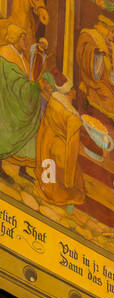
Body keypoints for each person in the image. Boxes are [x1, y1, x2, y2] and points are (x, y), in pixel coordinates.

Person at [33, 70, 85, 205]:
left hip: (47, 142)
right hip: (60, 149)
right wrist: (69, 177)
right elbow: (72, 146)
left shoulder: (53, 101)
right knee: (66, 180)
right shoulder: (72, 117)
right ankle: (60, 194)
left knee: (48, 169)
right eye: (73, 90)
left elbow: (44, 124)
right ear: (69, 92)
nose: (75, 93)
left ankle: (46, 189)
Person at [75, 15, 114, 135]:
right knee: (110, 97)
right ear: (105, 29)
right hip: (95, 77)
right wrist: (96, 54)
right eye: (112, 32)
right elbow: (82, 53)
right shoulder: (89, 35)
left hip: (112, 80)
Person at [0, 25, 43, 174]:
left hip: (20, 101)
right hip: (7, 102)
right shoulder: (5, 54)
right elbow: (14, 83)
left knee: (32, 126)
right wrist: (30, 87)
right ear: (15, 38)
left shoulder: (21, 57)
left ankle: (23, 168)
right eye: (23, 39)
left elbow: (28, 77)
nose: (25, 42)